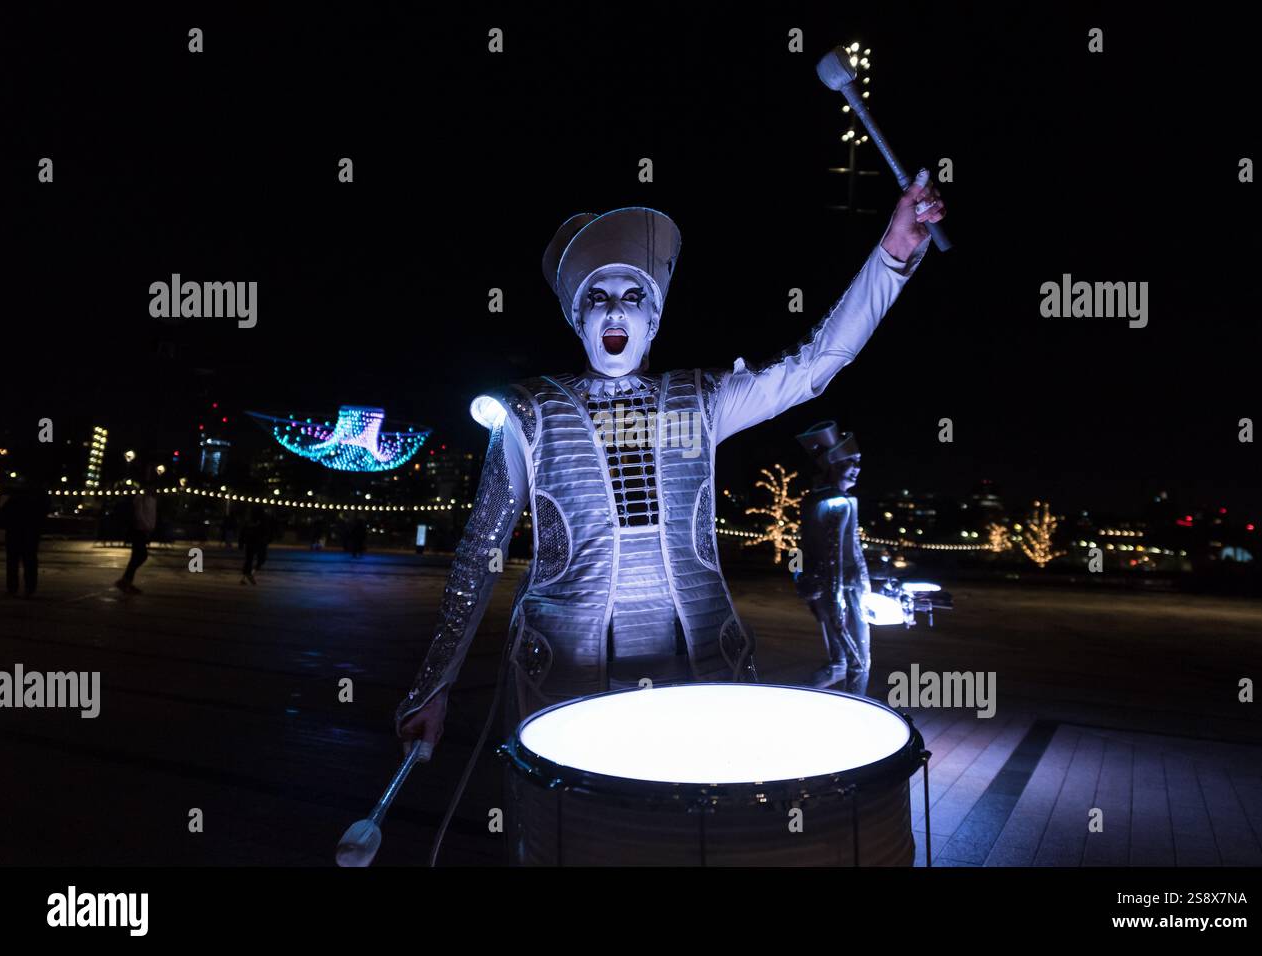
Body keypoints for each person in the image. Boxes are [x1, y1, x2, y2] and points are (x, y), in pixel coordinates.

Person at [398, 178, 946, 755]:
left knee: (686, 831)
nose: (614, 308)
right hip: (564, 679)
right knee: (578, 834)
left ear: (653, 319)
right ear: (577, 318)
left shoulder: (700, 400)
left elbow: (813, 365)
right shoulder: (530, 412)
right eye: (597, 296)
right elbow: (480, 552)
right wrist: (432, 688)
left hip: (697, 668)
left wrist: (893, 253)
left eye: (632, 295)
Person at [793, 422, 872, 696]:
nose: (857, 469)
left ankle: (794, 700)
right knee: (859, 664)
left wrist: (811, 592)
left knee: (839, 664)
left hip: (822, 591)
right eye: (851, 462)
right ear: (832, 465)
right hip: (845, 592)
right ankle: (855, 722)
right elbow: (836, 553)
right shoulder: (841, 501)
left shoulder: (810, 501)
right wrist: (839, 597)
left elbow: (802, 548)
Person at [0, 475, 50, 598]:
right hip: (30, 533)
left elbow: (2, 514)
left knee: (13, 562)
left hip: (14, 532)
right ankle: (29, 588)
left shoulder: (14, 499)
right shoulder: (38, 499)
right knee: (30, 561)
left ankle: (13, 587)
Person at [115, 471, 158, 595]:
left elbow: (151, 516)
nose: (153, 489)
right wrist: (146, 526)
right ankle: (125, 581)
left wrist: (150, 528)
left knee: (136, 557)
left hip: (144, 531)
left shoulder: (152, 499)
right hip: (138, 530)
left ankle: (126, 582)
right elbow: (139, 515)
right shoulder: (141, 498)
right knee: (141, 555)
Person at [239, 506, 270, 584]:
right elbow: (265, 531)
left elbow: (243, 531)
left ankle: (244, 578)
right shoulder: (263, 520)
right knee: (261, 559)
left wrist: (241, 543)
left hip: (250, 542)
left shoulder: (249, 520)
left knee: (249, 560)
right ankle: (251, 574)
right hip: (259, 542)